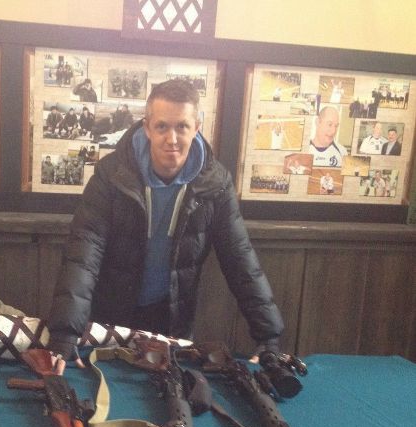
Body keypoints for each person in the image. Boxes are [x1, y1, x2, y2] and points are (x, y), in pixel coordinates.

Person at [47, 78, 284, 362]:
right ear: (147, 127)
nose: (172, 139)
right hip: (109, 320)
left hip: (172, 323)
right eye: (162, 127)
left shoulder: (216, 184)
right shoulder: (111, 175)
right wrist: (64, 336)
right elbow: (83, 255)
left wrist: (269, 338)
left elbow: (240, 259)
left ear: (196, 127)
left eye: (182, 126)